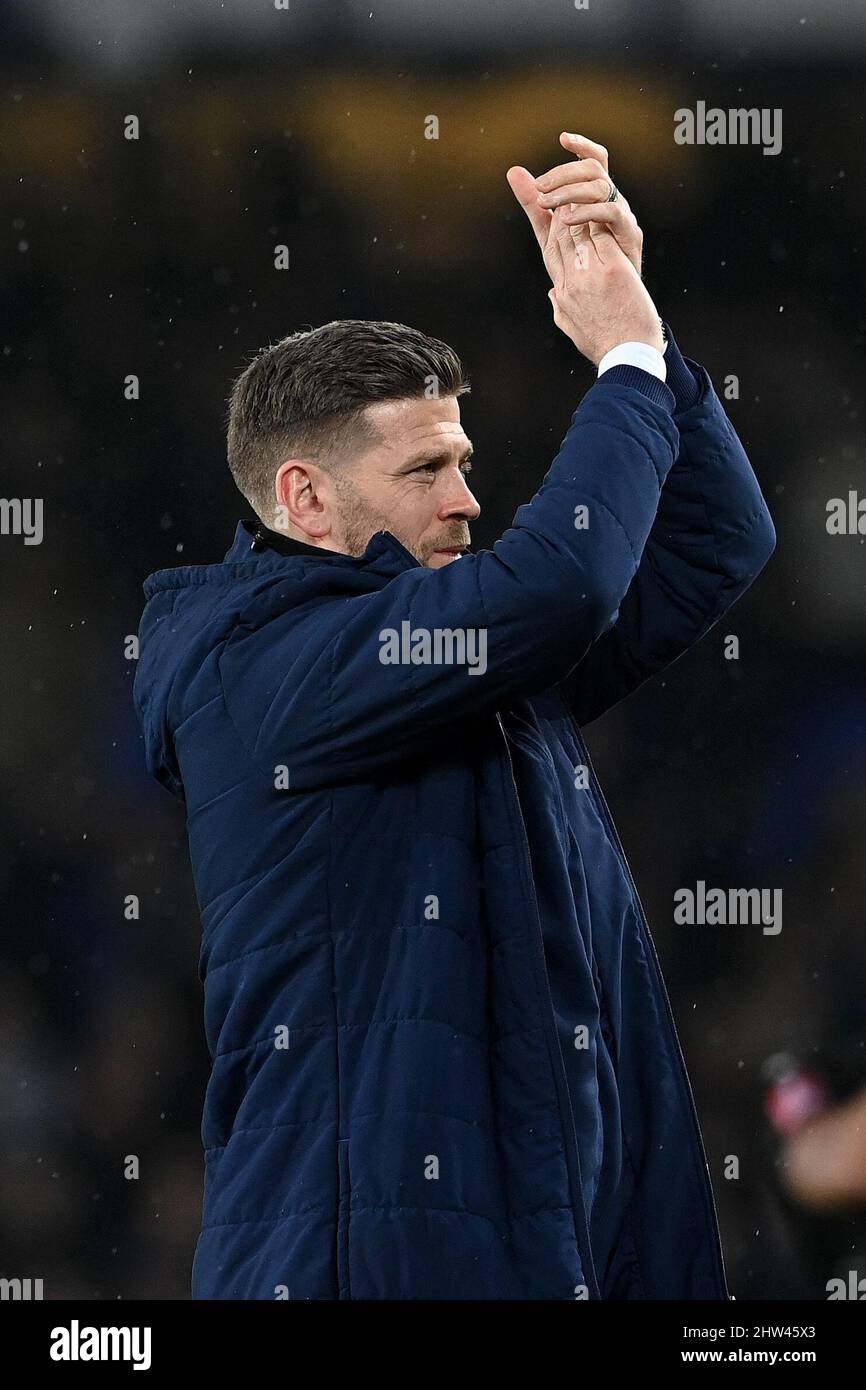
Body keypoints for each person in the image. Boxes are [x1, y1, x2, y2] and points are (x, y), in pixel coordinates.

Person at [133, 133, 775, 1299]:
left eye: (465, 459)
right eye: (428, 468)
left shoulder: (462, 666)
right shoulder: (260, 664)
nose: (469, 497)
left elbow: (714, 544)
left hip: (536, 1238)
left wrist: (650, 337)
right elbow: (558, 586)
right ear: (304, 496)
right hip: (362, 1260)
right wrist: (616, 361)